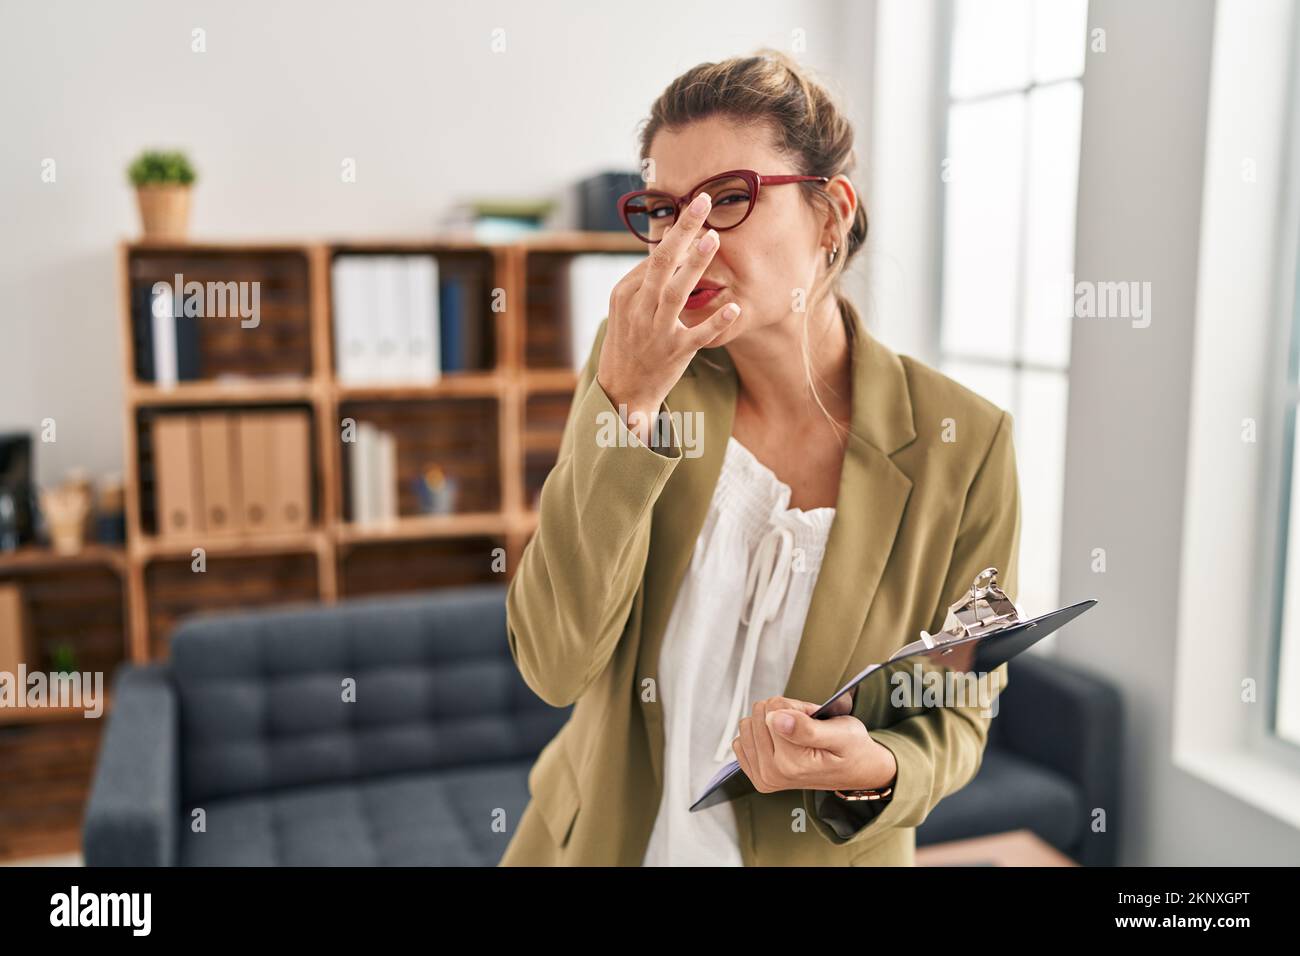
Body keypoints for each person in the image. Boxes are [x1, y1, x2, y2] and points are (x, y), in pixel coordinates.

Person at [500, 49, 1020, 866]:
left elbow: (955, 714)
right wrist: (625, 403)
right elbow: (554, 663)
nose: (688, 240)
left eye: (730, 198)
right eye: (664, 210)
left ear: (829, 215)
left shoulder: (968, 446)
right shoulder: (639, 367)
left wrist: (877, 767)